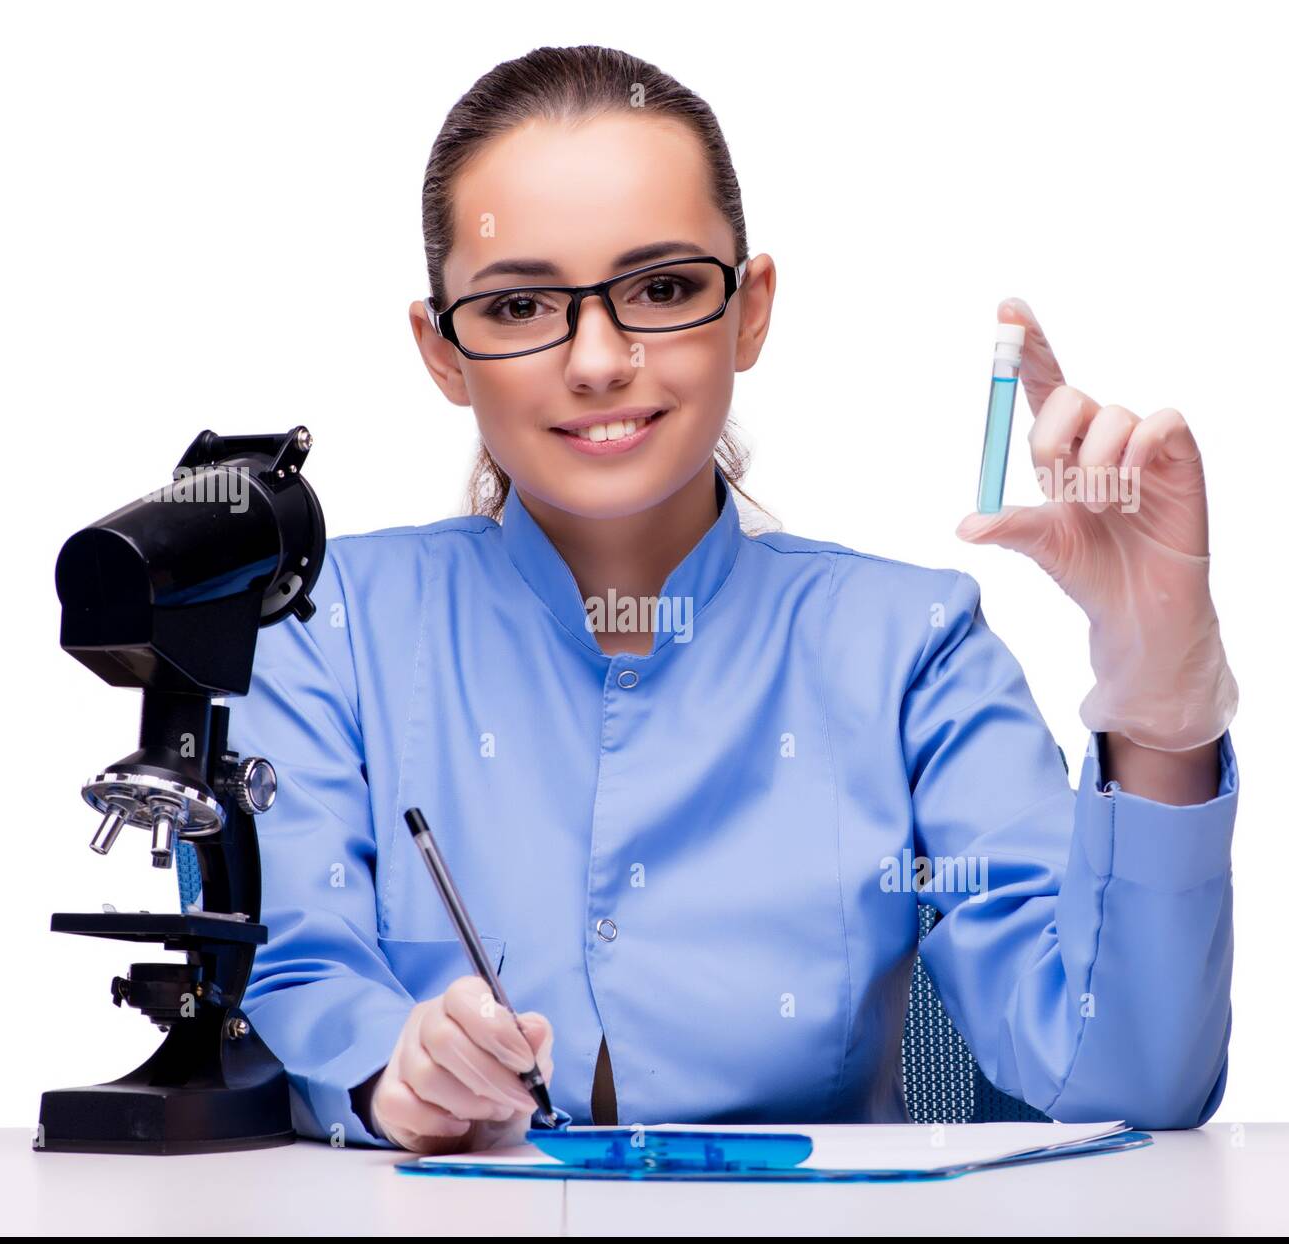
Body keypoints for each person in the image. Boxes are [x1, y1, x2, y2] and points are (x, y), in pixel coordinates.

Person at [225, 44, 1239, 1154]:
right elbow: (287, 965)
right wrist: (390, 1071)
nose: (600, 359)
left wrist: (1159, 706)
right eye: (519, 305)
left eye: (661, 289)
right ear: (442, 350)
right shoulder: (326, 629)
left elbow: (1132, 1080)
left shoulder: (910, 651)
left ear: (749, 309)